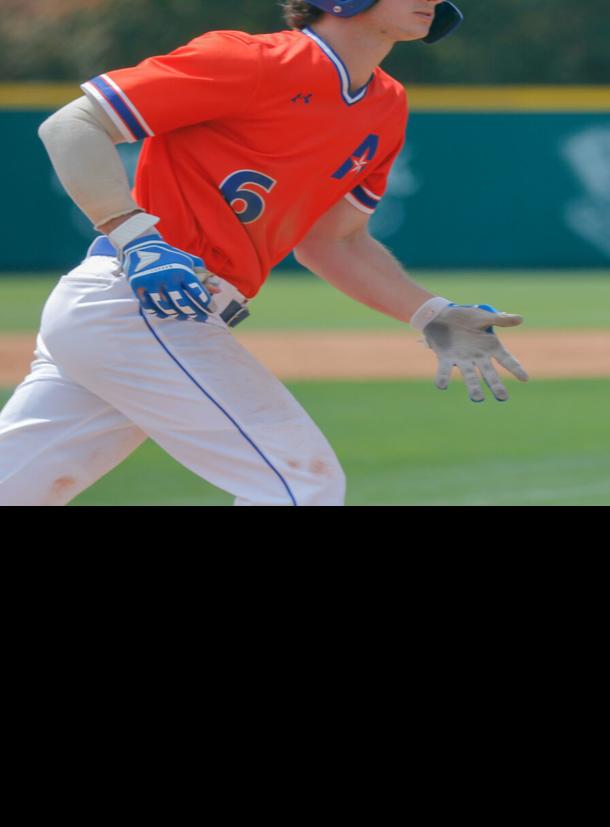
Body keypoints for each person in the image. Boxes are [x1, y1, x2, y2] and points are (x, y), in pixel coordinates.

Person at [0, 0, 526, 506]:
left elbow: (332, 241)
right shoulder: (253, 59)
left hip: (140, 318)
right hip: (142, 299)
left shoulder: (386, 105)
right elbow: (71, 126)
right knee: (300, 485)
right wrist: (136, 237)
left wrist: (429, 312)